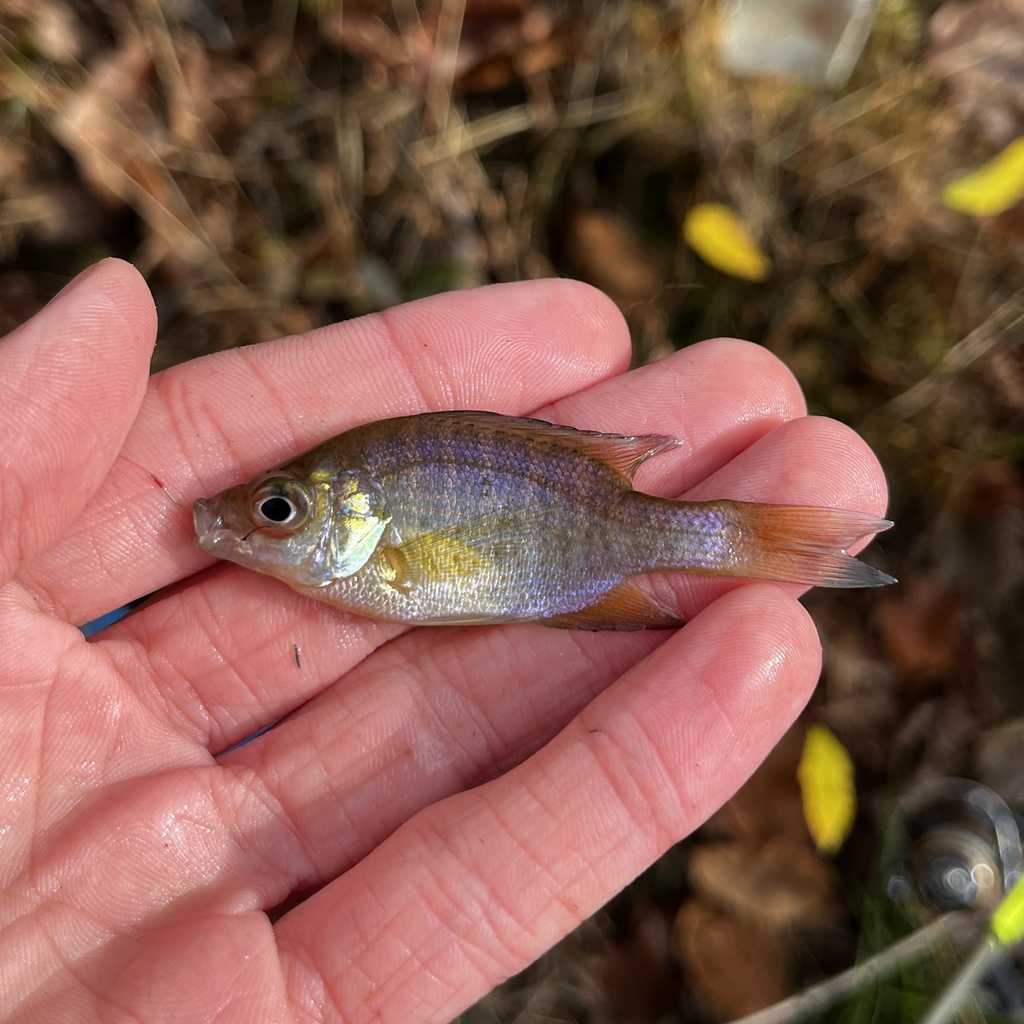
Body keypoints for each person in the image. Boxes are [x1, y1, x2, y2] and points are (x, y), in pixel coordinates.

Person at [0, 259, 889, 1022]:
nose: (246, 525)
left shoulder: (372, 542)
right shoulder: (349, 536)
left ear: (354, 516)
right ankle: (788, 541)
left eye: (277, 511)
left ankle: (770, 539)